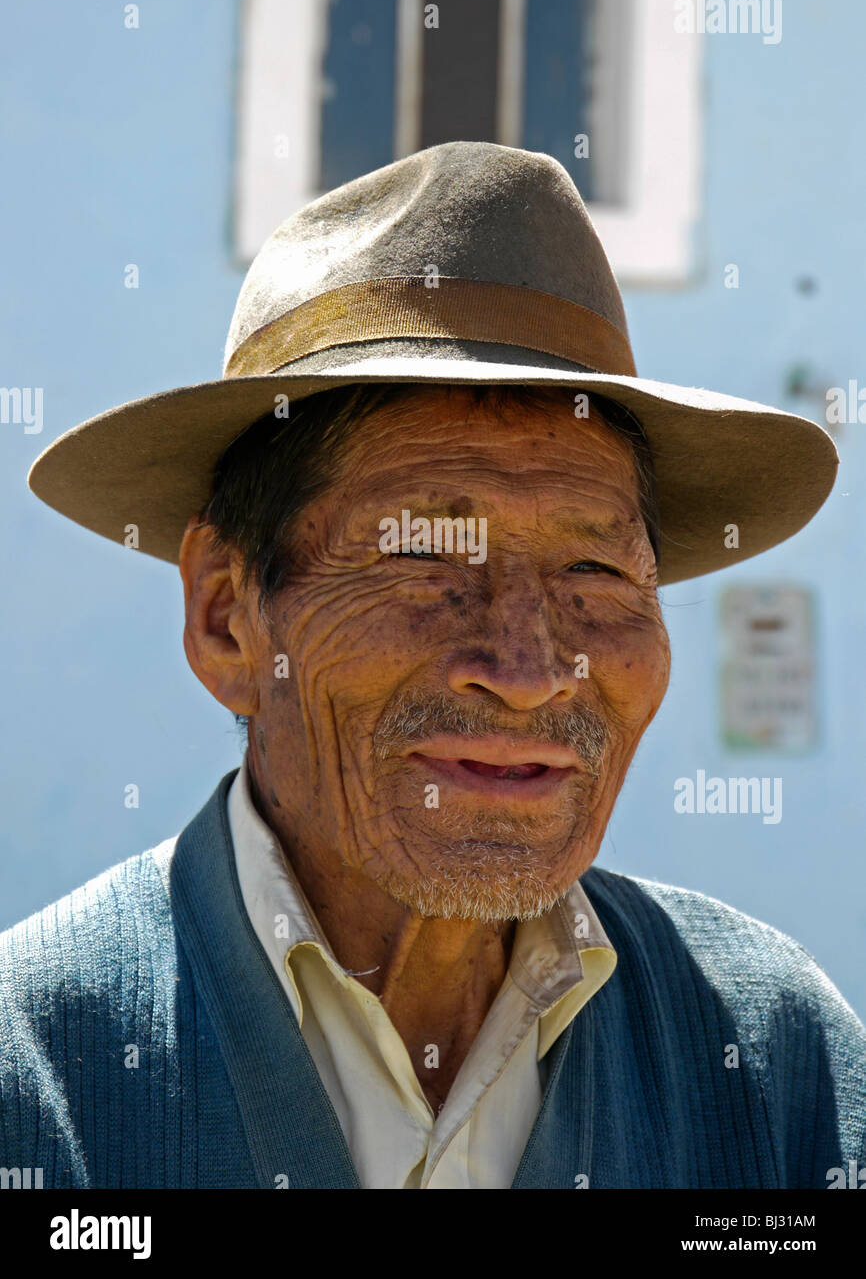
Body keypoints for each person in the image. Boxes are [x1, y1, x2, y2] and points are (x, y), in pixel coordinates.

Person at [4, 141, 864, 1189]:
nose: (528, 666)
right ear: (227, 618)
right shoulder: (39, 1076)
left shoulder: (775, 1065)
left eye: (594, 569)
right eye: (421, 557)